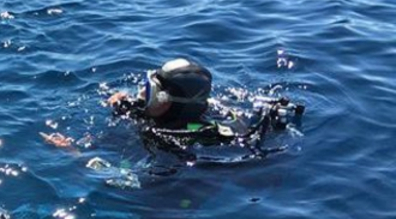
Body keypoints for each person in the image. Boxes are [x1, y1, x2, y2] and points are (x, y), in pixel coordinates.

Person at [105, 58, 303, 160]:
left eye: (149, 91)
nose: (140, 94)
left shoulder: (184, 135)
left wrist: (77, 156)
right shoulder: (183, 111)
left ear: (166, 101)